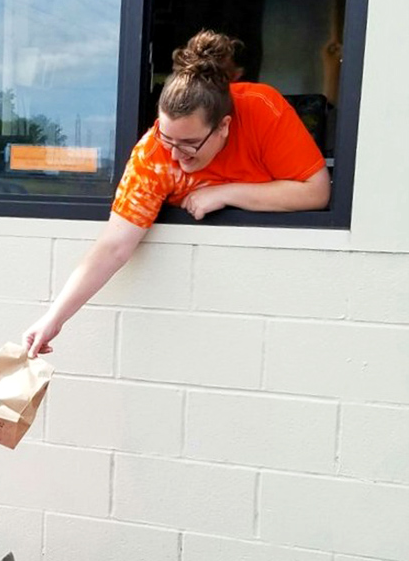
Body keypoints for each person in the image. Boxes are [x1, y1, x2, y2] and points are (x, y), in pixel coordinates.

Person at [23, 29, 330, 357]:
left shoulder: (261, 109)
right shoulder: (152, 155)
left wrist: (227, 193)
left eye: (188, 144)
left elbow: (315, 192)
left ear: (224, 126)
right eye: (167, 138)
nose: (174, 154)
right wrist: (54, 319)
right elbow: (113, 246)